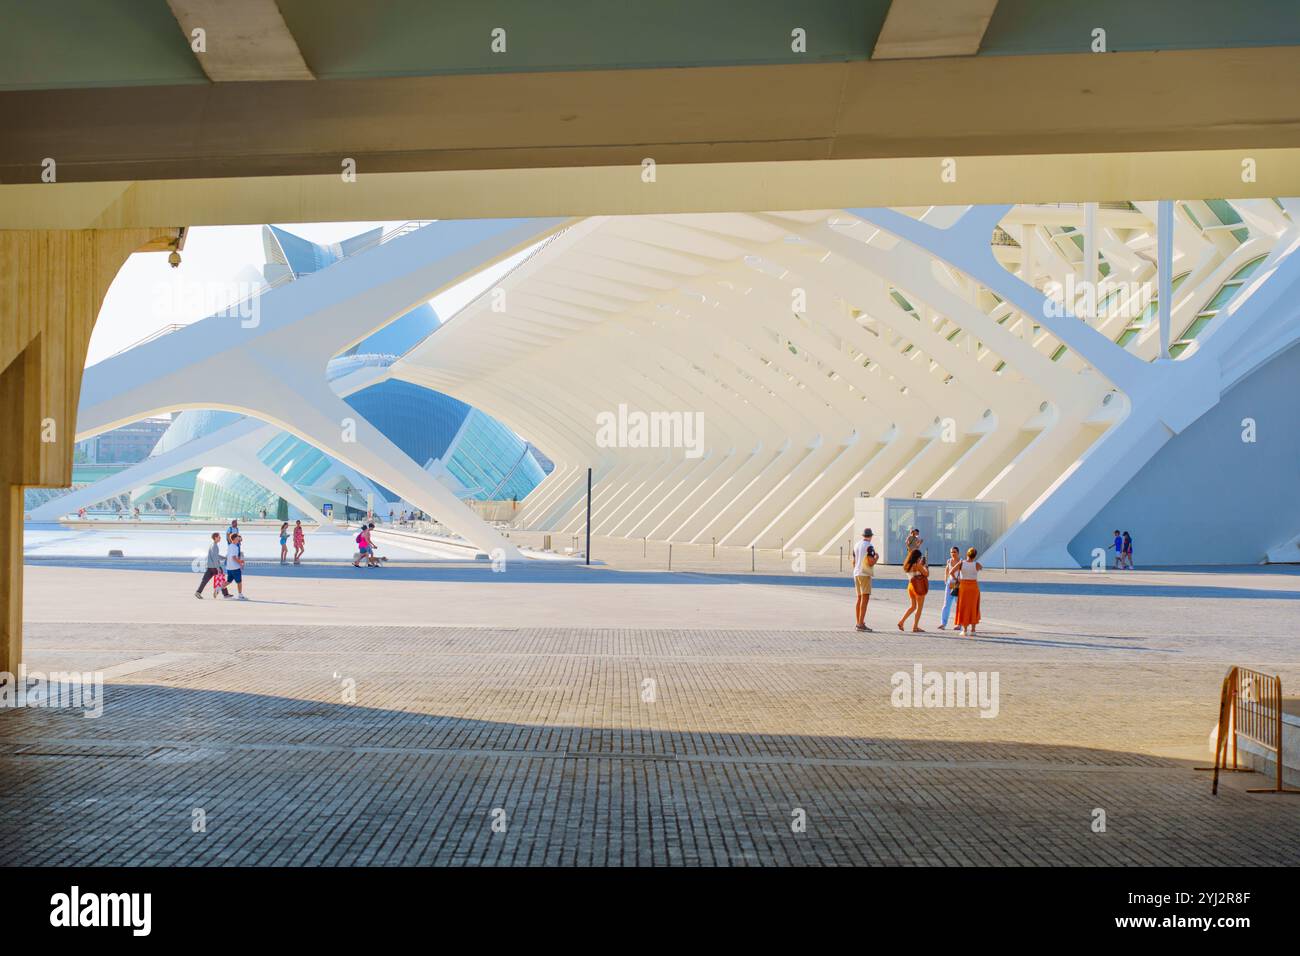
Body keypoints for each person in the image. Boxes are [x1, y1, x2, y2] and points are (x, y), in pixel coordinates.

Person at [851, 527, 878, 632]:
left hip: (856, 573)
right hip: (864, 573)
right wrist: (877, 557)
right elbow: (871, 562)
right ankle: (861, 624)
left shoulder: (856, 545)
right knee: (865, 598)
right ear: (871, 536)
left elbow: (853, 561)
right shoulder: (869, 546)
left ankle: (858, 622)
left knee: (859, 598)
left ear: (863, 535)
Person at [898, 549, 929, 632]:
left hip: (911, 586)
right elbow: (926, 574)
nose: (920, 559)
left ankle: (901, 622)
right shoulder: (917, 565)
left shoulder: (906, 565)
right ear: (917, 557)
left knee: (913, 606)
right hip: (918, 586)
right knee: (919, 608)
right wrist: (925, 566)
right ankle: (915, 627)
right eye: (919, 557)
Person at [955, 547, 982, 637]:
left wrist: (957, 579)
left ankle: (965, 630)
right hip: (974, 587)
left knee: (964, 607)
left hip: (964, 587)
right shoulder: (976, 564)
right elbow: (980, 568)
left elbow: (951, 571)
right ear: (975, 556)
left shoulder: (961, 563)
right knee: (973, 607)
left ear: (967, 554)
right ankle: (973, 630)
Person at [195, 532, 231, 599]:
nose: (220, 538)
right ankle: (225, 594)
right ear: (215, 538)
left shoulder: (212, 545)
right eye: (219, 537)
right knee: (221, 580)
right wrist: (218, 568)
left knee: (205, 580)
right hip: (215, 567)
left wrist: (224, 558)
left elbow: (216, 556)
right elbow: (215, 558)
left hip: (210, 566)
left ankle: (198, 592)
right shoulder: (215, 546)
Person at [936, 546, 961, 630]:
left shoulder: (961, 562)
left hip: (959, 584)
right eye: (951, 552)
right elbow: (947, 569)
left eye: (954, 552)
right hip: (950, 584)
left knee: (959, 604)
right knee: (946, 604)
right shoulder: (949, 561)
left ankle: (959, 624)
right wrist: (945, 578)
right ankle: (943, 623)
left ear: (958, 553)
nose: (953, 554)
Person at [225, 532, 248, 600]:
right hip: (235, 567)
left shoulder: (230, 546)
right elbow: (234, 557)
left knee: (229, 581)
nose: (239, 539)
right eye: (237, 538)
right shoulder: (235, 547)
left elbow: (230, 557)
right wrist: (240, 562)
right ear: (234, 539)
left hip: (229, 567)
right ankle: (240, 595)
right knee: (239, 582)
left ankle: (219, 588)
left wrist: (240, 561)